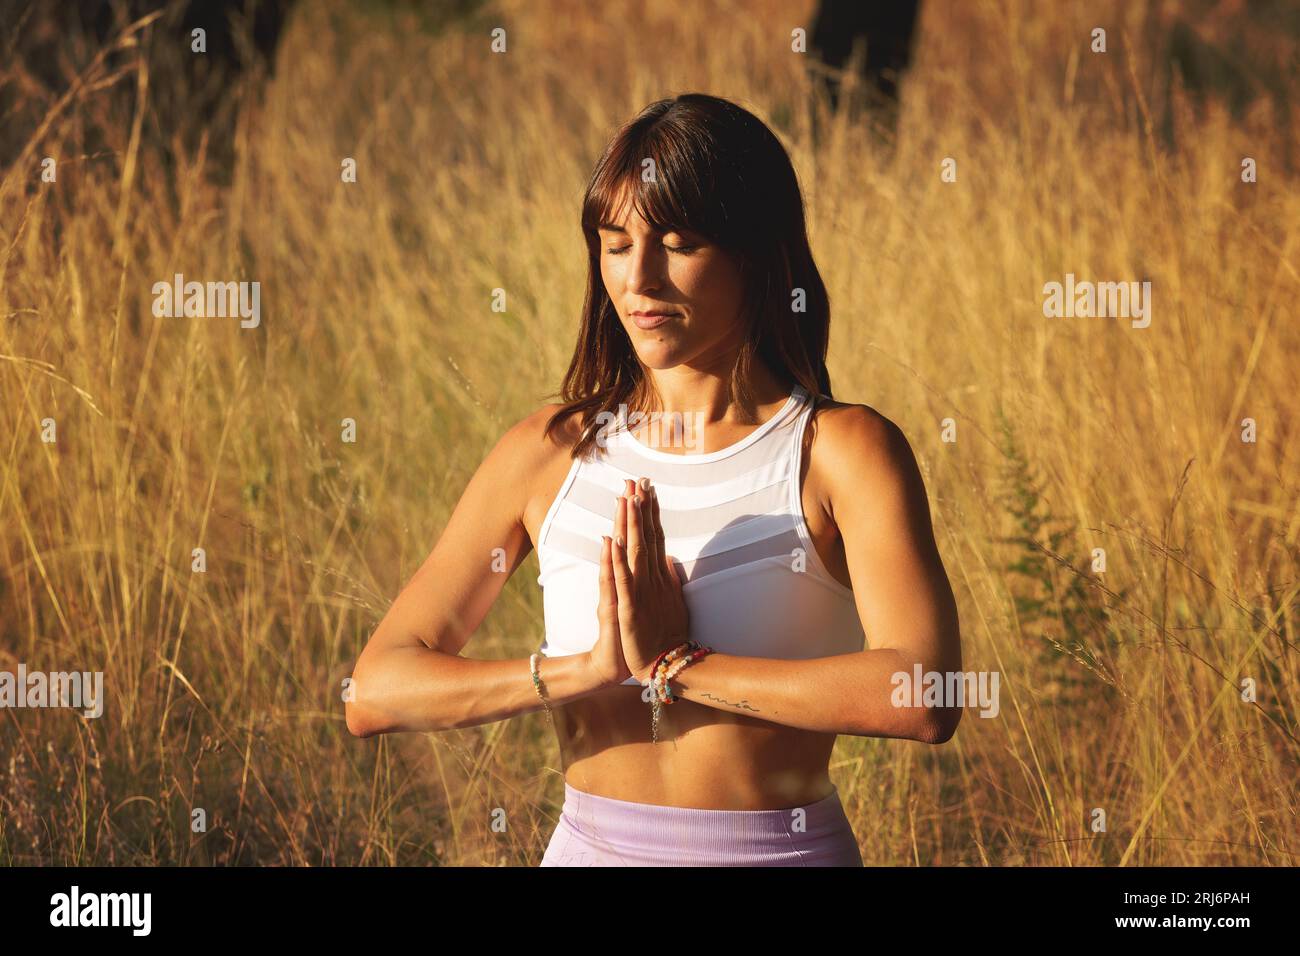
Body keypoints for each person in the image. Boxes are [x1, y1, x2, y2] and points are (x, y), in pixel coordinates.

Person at [345, 93, 963, 866]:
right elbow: (375, 689)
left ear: (755, 253)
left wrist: (679, 666)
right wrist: (588, 670)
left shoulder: (839, 451)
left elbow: (928, 695)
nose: (640, 278)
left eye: (679, 243)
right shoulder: (550, 451)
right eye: (614, 243)